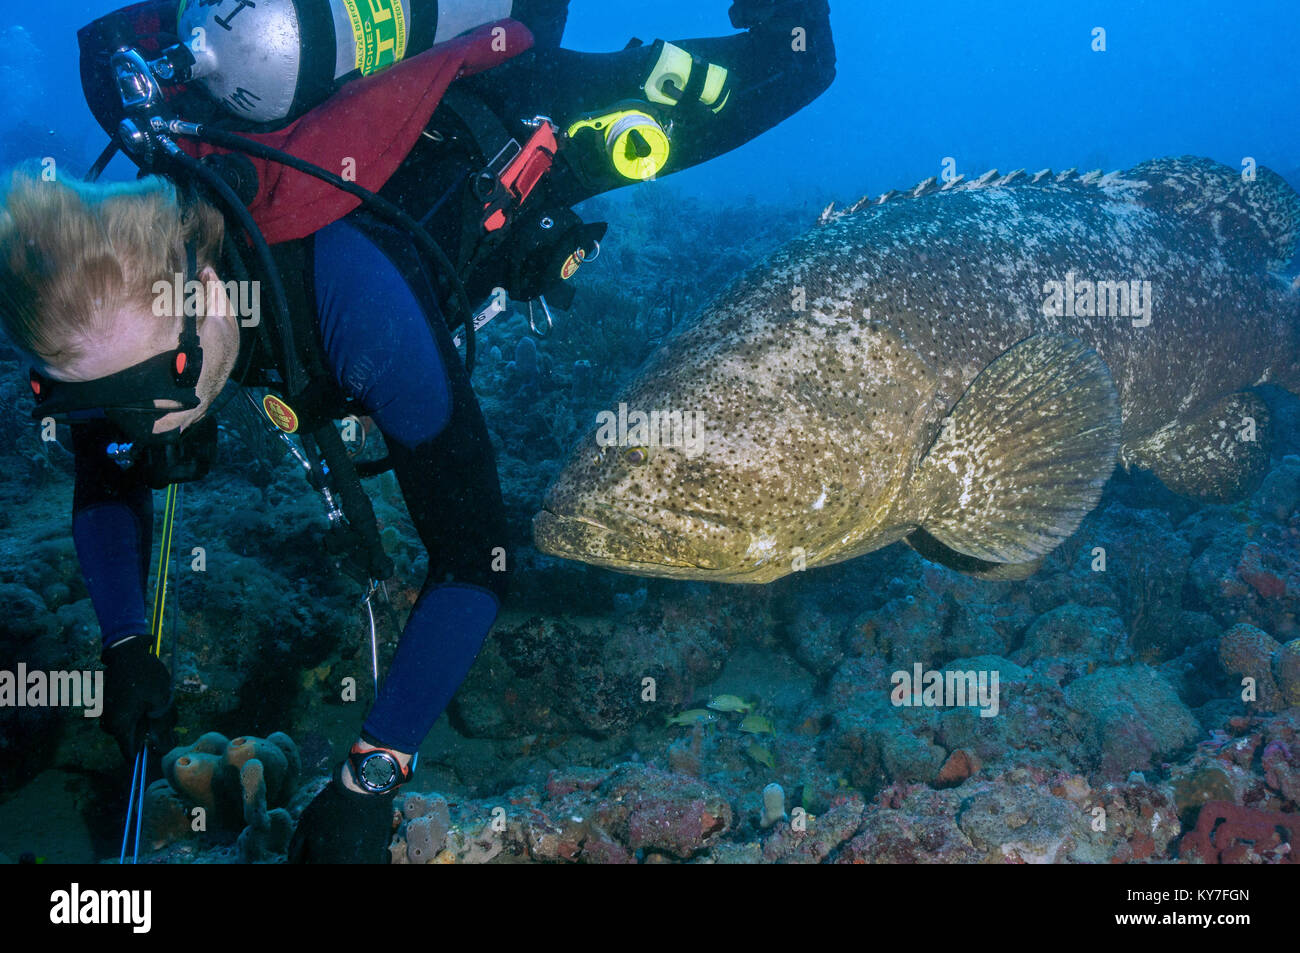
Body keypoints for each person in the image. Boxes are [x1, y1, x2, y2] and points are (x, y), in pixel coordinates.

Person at [0, 0, 835, 862]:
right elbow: (108, 470)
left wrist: (371, 774)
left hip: (517, 126)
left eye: (150, 394)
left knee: (795, 68)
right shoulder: (122, 323)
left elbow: (479, 557)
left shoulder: (357, 305)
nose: (141, 431)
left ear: (204, 290)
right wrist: (126, 641)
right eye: (98, 409)